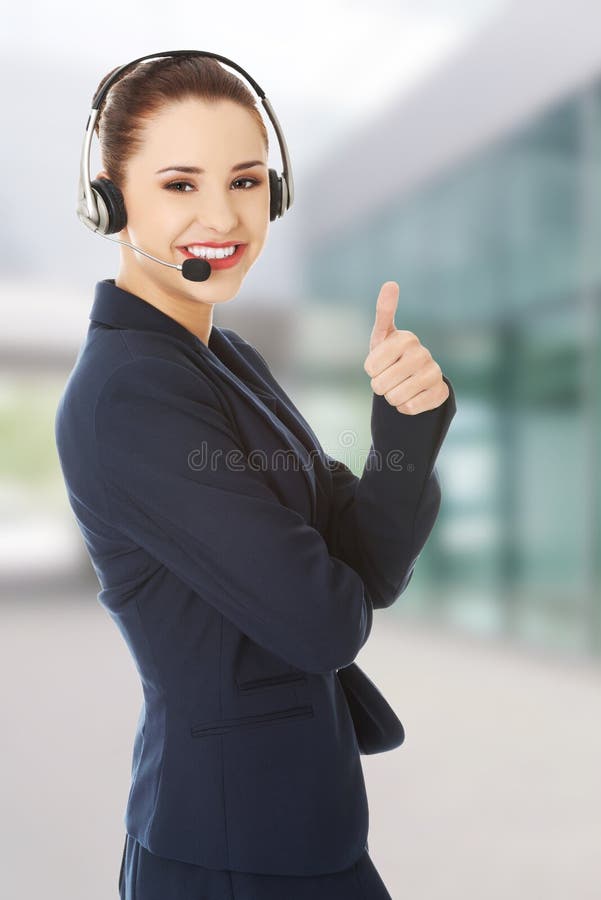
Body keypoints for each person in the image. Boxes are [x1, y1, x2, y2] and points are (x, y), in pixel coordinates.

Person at [55, 52, 457, 899]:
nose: (222, 215)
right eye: (178, 184)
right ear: (109, 196)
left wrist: (405, 427)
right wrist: (332, 567)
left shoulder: (220, 356)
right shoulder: (133, 394)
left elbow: (365, 563)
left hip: (297, 832)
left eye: (244, 180)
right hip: (232, 851)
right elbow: (322, 622)